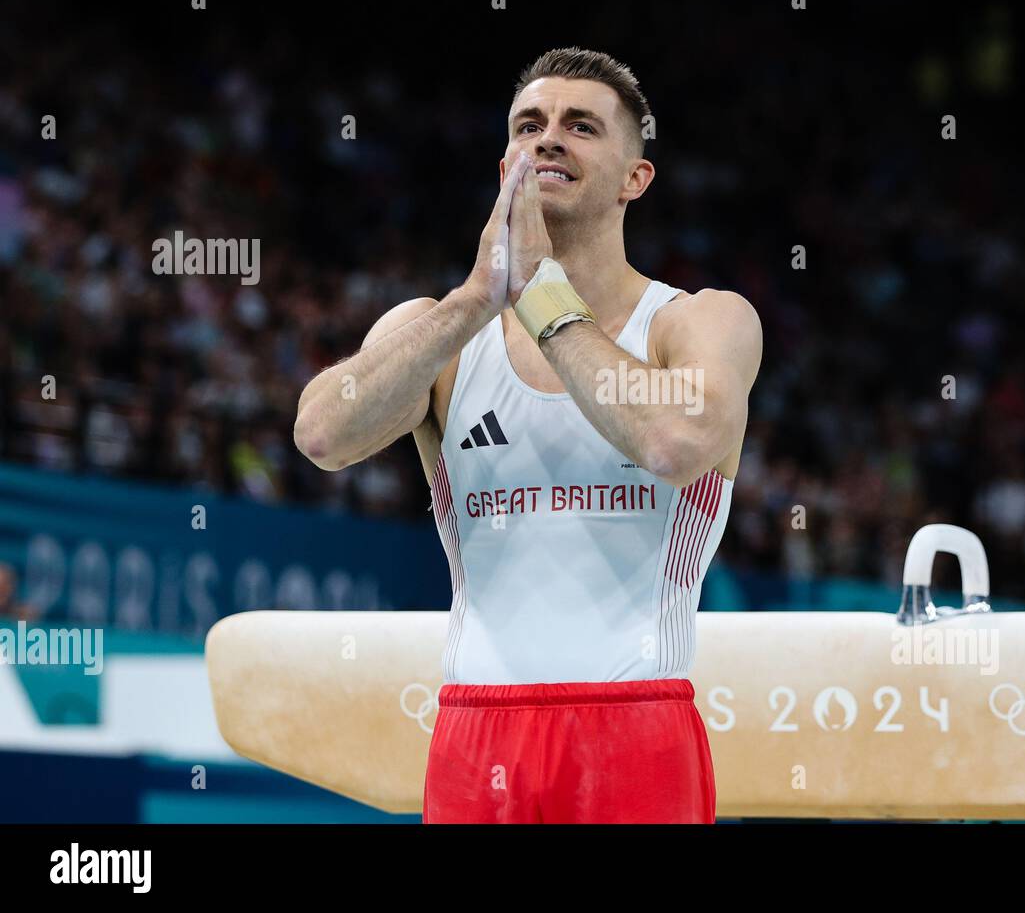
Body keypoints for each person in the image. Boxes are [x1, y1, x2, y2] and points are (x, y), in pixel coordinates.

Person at [294, 48, 762, 822]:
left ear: (634, 179)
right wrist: (480, 297)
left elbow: (676, 445)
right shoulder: (439, 333)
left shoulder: (700, 321)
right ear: (506, 161)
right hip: (476, 737)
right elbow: (321, 433)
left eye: (581, 127)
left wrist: (543, 303)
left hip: (635, 730)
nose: (549, 140)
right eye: (530, 126)